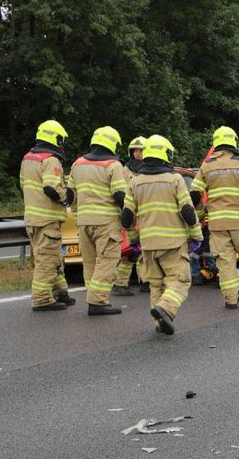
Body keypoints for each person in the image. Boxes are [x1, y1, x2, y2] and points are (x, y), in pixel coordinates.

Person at [122, 135, 203, 335]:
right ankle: (165, 308)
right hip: (173, 243)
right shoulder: (174, 179)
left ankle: (159, 322)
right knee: (180, 281)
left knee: (156, 284)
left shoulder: (135, 181)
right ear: (165, 154)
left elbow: (127, 216)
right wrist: (196, 236)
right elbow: (188, 211)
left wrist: (133, 240)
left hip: (148, 244)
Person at [190, 126, 239, 308]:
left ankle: (231, 301)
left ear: (216, 142)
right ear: (233, 141)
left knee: (225, 263)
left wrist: (201, 214)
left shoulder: (207, 165)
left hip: (218, 224)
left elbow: (194, 193)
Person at [69, 126, 127, 315]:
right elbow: (120, 195)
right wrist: (129, 215)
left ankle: (93, 297)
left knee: (90, 262)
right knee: (108, 260)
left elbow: (70, 194)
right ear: (113, 144)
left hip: (84, 221)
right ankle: (98, 301)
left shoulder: (78, 164)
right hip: (106, 222)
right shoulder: (113, 165)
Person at [20, 120, 76, 311]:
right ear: (56, 138)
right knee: (47, 260)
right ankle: (42, 298)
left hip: (32, 219)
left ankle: (61, 291)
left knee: (52, 257)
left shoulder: (28, 158)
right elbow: (51, 187)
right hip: (47, 219)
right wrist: (65, 199)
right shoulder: (51, 160)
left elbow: (23, 187)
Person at [115, 136, 145, 295]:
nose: (138, 154)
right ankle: (120, 283)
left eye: (141, 151)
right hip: (130, 215)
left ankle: (145, 282)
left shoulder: (149, 169)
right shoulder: (124, 170)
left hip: (145, 215)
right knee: (131, 251)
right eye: (135, 151)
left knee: (145, 250)